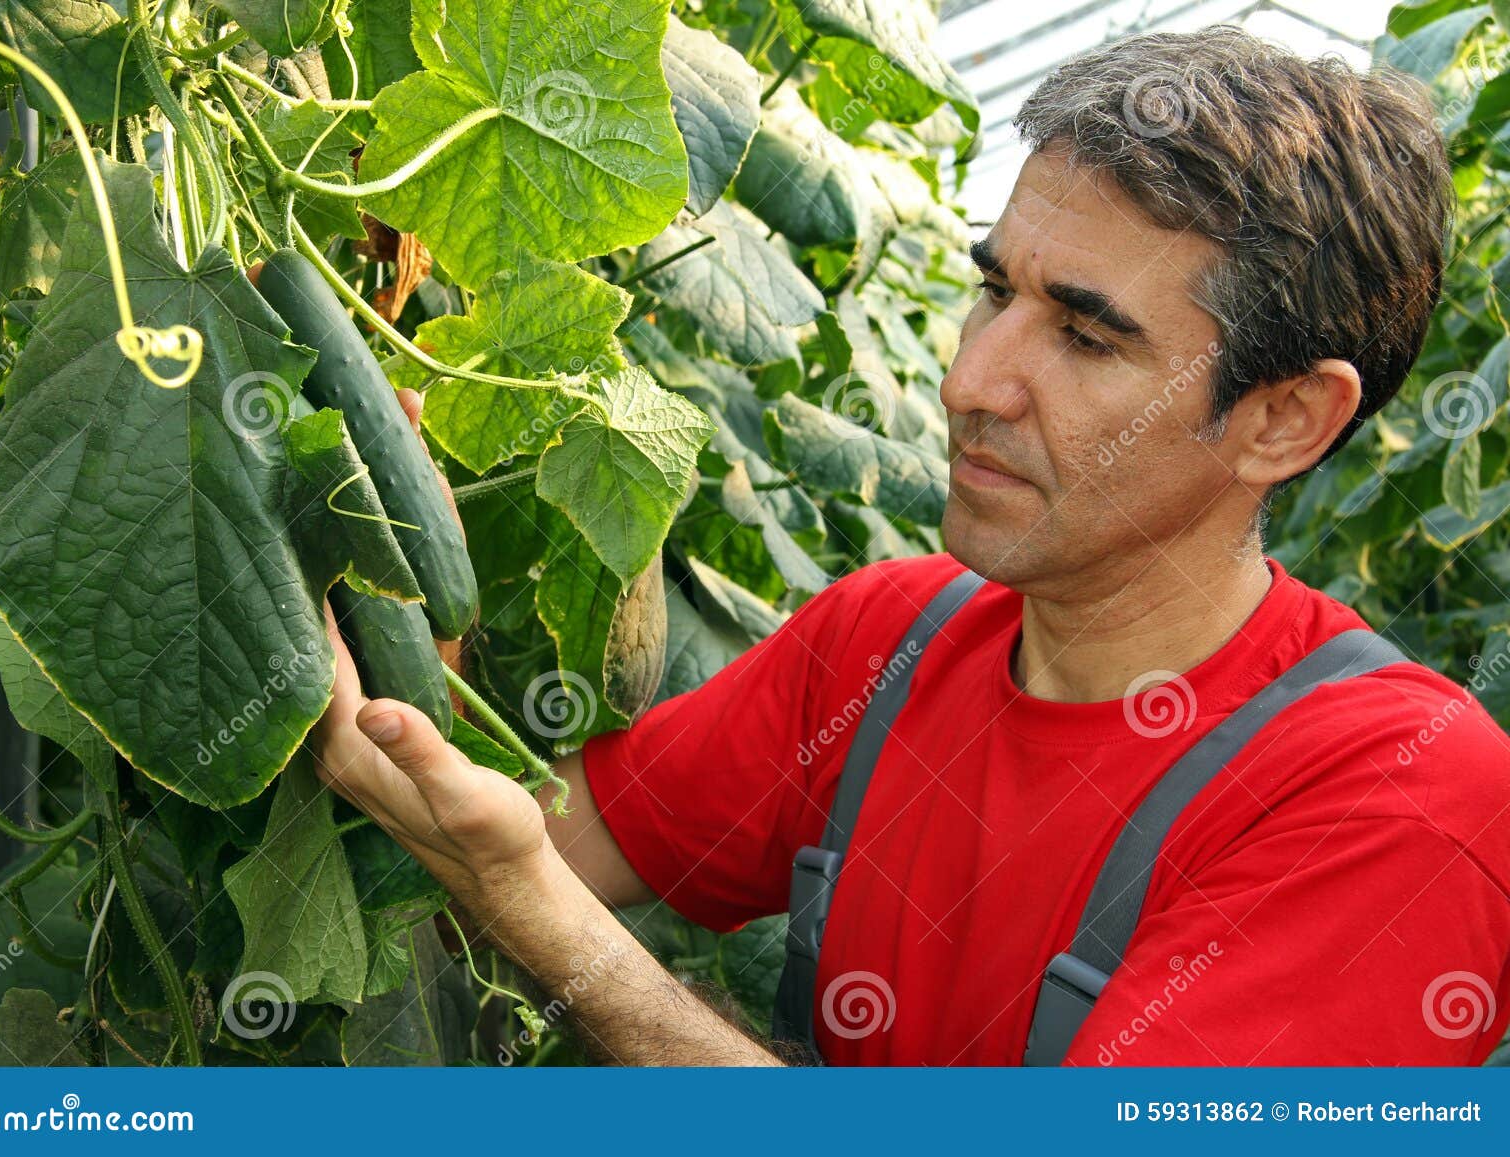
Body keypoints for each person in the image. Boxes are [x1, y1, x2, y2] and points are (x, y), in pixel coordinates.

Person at [314, 26, 1510, 1066]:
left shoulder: (1410, 794)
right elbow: (522, 833)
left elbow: (525, 879)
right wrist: (403, 548)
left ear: (1282, 418)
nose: (968, 379)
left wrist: (526, 899)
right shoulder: (889, 639)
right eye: (996, 294)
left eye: (1087, 339)